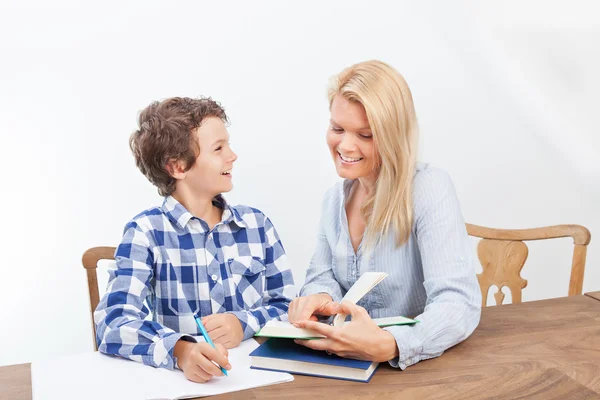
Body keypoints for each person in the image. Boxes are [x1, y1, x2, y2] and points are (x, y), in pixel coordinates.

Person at [288, 60, 481, 369]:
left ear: (393, 135)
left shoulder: (428, 188)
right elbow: (321, 275)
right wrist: (317, 297)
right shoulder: (334, 199)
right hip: (344, 364)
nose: (345, 145)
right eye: (337, 128)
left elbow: (458, 302)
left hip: (418, 370)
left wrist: (392, 345)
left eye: (365, 135)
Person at [94, 97, 295, 382]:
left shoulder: (256, 225)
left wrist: (243, 323)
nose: (232, 155)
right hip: (185, 385)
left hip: (256, 381)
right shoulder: (146, 232)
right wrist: (180, 350)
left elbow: (288, 307)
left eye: (228, 144)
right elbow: (113, 322)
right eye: (218, 148)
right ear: (178, 167)